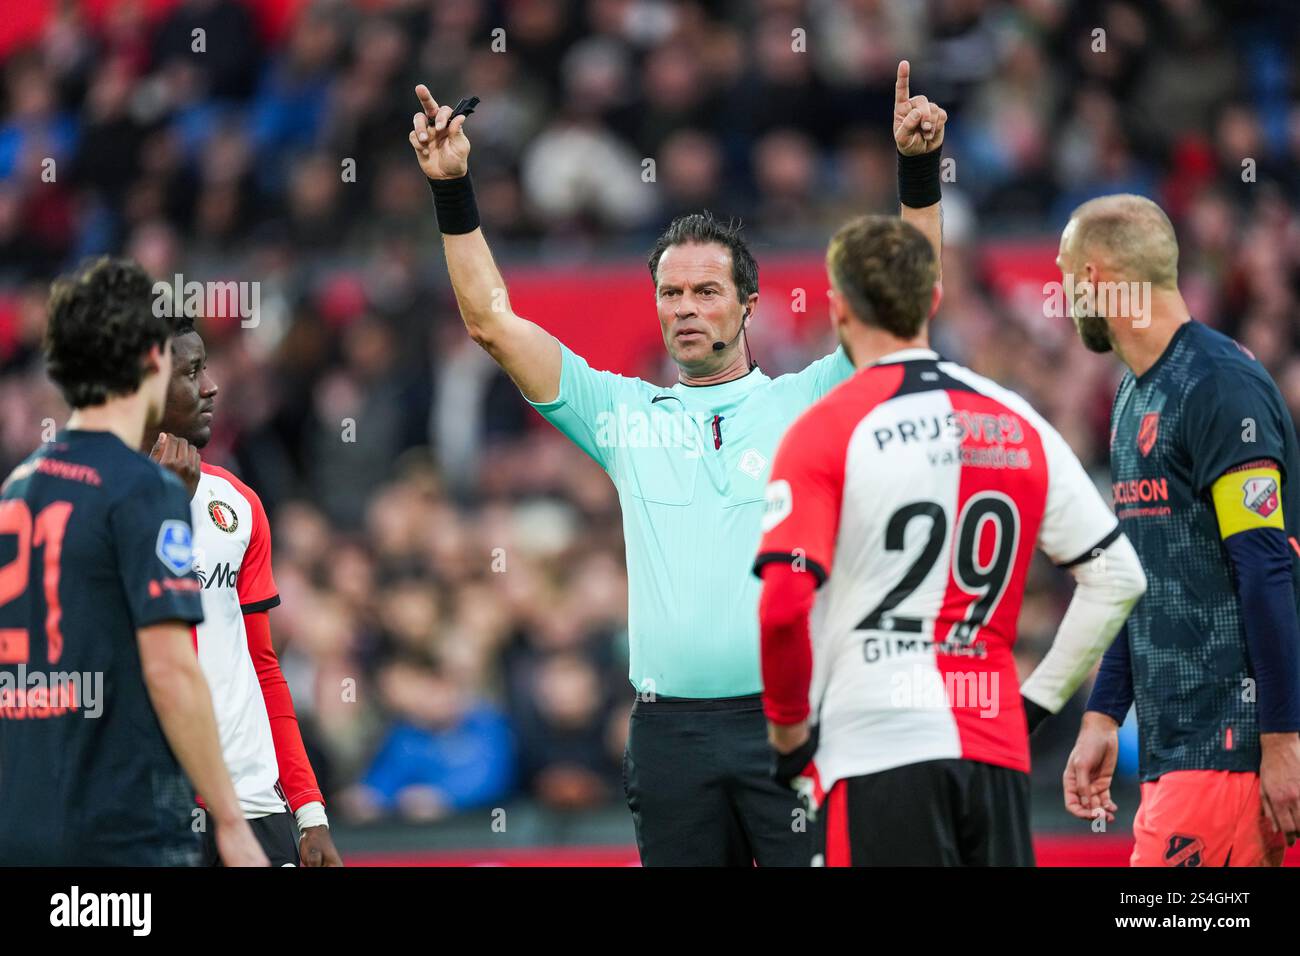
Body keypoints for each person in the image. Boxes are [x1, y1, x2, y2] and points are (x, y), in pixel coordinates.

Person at [409, 63, 947, 865]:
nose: (686, 309)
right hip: (669, 736)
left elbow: (904, 315)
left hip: (793, 718)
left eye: (704, 292)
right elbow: (491, 322)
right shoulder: (623, 413)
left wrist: (916, 174)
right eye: (670, 294)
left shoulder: (810, 397)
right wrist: (452, 190)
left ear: (749, 304)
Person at [754, 215, 1147, 866]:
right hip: (991, 749)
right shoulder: (1015, 419)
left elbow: (782, 608)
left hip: (874, 746)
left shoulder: (823, 430)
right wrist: (1034, 704)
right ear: (934, 300)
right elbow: (1119, 577)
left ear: (837, 307)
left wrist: (789, 734)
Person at [1057, 194, 1300, 867]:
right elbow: (1140, 577)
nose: (1064, 296)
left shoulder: (1220, 387)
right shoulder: (1137, 393)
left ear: (1098, 280)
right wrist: (1105, 713)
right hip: (1179, 748)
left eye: (1065, 275)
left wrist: (1282, 741)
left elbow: (1266, 568)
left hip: (1229, 749)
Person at [0, 257, 266, 866]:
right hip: (122, 830)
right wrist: (230, 820)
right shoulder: (143, 489)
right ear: (150, 360)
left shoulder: (19, 487)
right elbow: (172, 673)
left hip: (23, 825)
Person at [145, 314, 343, 867]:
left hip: (256, 804)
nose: (211, 386)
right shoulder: (96, 502)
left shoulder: (237, 503)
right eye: (191, 373)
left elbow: (263, 664)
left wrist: (309, 811)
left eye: (206, 368)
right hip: (155, 804)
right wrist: (165, 513)